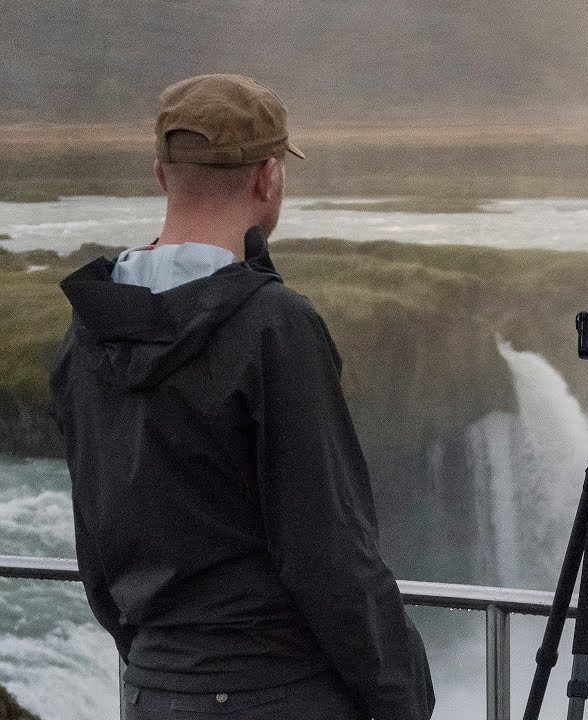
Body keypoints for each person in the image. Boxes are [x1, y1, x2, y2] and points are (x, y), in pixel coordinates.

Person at [49, 74, 434, 720]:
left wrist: (161, 666)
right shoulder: (274, 328)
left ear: (161, 175)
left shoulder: (88, 332)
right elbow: (332, 553)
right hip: (276, 691)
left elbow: (96, 555)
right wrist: (407, 698)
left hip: (154, 690)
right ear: (267, 179)